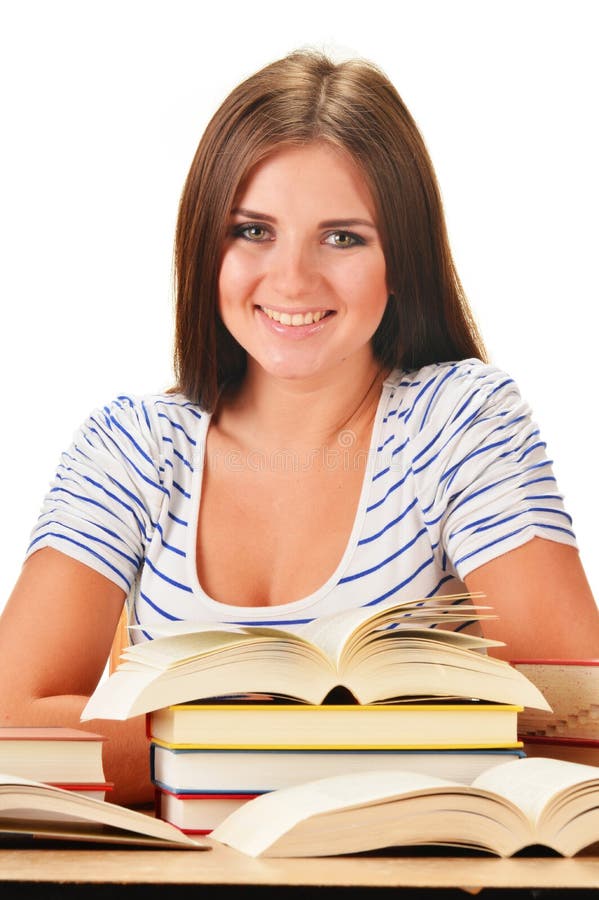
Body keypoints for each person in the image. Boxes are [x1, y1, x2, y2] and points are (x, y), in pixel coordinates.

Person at [1, 49, 597, 807]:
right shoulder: (130, 445)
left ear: (400, 261)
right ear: (203, 246)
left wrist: (210, 741)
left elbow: (576, 722)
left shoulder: (461, 420)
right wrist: (306, 731)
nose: (291, 280)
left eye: (342, 237)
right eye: (253, 231)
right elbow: (12, 731)